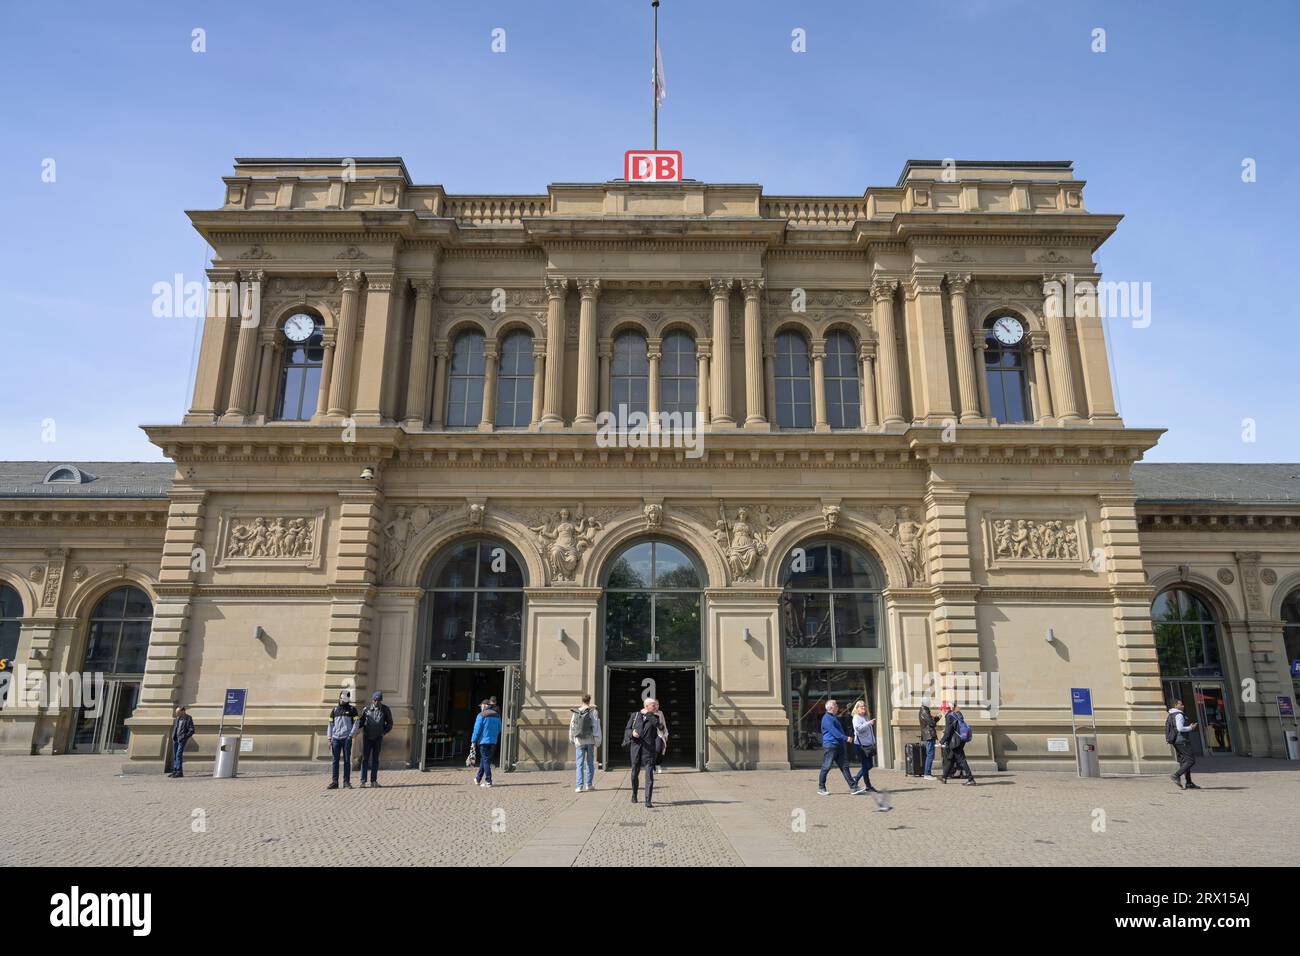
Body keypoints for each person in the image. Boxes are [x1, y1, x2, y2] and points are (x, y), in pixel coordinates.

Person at [817, 699, 866, 796]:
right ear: (831, 708)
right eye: (836, 705)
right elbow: (834, 732)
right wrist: (845, 738)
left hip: (838, 746)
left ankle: (853, 787)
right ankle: (821, 787)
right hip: (831, 746)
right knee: (826, 766)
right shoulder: (827, 718)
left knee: (845, 767)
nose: (837, 707)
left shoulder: (833, 717)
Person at [623, 698, 663, 807]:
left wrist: (649, 715)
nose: (656, 707)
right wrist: (632, 733)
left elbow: (660, 727)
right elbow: (627, 729)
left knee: (649, 775)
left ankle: (648, 800)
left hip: (649, 750)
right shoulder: (635, 716)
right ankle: (634, 794)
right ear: (646, 706)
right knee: (634, 773)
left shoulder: (655, 717)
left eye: (655, 705)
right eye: (653, 705)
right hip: (636, 749)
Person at [358, 691, 393, 788]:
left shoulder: (385, 709)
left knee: (375, 759)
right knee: (365, 759)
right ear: (372, 700)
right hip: (367, 737)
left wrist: (384, 732)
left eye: (378, 700)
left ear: (381, 700)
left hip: (378, 738)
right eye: (375, 700)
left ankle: (373, 781)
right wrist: (354, 725)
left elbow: (390, 723)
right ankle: (363, 781)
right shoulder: (366, 709)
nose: (377, 702)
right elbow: (361, 722)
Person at [327, 691, 360, 790]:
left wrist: (351, 735)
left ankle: (346, 782)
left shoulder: (352, 710)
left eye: (343, 700)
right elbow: (330, 724)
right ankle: (335, 782)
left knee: (346, 761)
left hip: (346, 738)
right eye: (341, 699)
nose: (341, 701)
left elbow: (356, 723)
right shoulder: (334, 710)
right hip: (336, 738)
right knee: (335, 761)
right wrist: (329, 737)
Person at [570, 694, 602, 792]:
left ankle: (579, 786)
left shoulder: (576, 712)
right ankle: (589, 784)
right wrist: (598, 741)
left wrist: (572, 739)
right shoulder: (593, 712)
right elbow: (596, 727)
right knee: (590, 763)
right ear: (589, 700)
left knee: (579, 763)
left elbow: (572, 726)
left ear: (582, 700)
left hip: (579, 740)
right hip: (590, 740)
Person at [1166, 699, 1200, 790]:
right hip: (1182, 741)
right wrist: (1190, 727)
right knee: (1190, 761)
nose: (1183, 706)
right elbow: (1180, 728)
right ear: (1175, 705)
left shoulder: (1170, 715)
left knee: (1184, 762)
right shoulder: (1179, 715)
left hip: (1176, 741)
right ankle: (1176, 775)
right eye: (1181, 704)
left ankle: (1189, 783)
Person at [940, 702, 976, 786]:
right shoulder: (956, 714)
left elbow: (948, 732)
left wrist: (941, 741)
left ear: (946, 709)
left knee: (962, 760)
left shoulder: (949, 716)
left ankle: (971, 779)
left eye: (942, 709)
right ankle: (944, 777)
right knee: (950, 759)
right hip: (960, 740)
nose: (942, 711)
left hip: (955, 742)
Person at [471, 699, 502, 788]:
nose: (481, 707)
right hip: (493, 741)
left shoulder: (481, 715)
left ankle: (488, 781)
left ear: (484, 705)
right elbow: (499, 728)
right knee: (485, 759)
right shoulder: (497, 715)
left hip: (483, 741)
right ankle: (478, 778)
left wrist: (473, 740)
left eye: (481, 706)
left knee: (485, 760)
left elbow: (477, 730)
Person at [850, 699, 879, 792]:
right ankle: (868, 786)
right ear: (857, 708)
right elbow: (858, 729)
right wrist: (868, 723)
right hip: (860, 745)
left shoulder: (866, 717)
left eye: (864, 707)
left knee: (869, 765)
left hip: (868, 745)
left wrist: (873, 741)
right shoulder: (856, 717)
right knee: (865, 765)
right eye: (861, 707)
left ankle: (856, 779)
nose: (863, 708)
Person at [168, 705, 194, 778]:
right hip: (176, 739)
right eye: (177, 712)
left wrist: (184, 737)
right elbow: (176, 728)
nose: (177, 714)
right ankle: (175, 770)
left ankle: (179, 772)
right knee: (175, 755)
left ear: (183, 711)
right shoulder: (178, 718)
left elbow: (192, 730)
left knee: (178, 755)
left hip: (182, 739)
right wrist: (173, 736)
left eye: (178, 712)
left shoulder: (188, 718)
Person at [918, 697, 938, 780]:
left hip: (927, 735)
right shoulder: (924, 711)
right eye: (928, 702)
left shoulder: (924, 710)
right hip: (929, 735)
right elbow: (932, 723)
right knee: (930, 754)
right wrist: (937, 718)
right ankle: (927, 774)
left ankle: (927, 773)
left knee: (929, 754)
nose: (929, 703)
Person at [651, 698, 670, 773]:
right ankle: (652, 766)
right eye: (655, 704)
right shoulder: (648, 713)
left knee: (658, 749)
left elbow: (663, 723)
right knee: (651, 751)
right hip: (650, 735)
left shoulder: (660, 713)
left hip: (659, 734)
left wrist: (666, 733)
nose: (657, 706)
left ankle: (657, 764)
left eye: (658, 704)